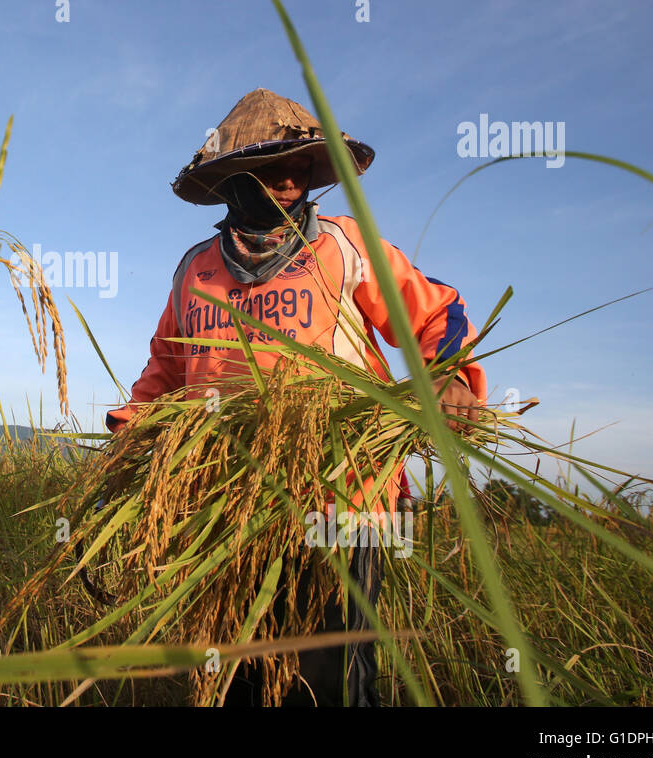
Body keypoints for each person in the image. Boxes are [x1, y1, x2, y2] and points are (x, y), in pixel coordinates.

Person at [104, 89, 488, 706]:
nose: (289, 182)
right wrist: (129, 435)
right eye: (271, 168)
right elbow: (165, 372)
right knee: (235, 685)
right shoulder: (195, 272)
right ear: (231, 181)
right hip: (227, 508)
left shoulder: (343, 247)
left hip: (344, 503)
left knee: (328, 687)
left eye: (301, 168)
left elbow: (436, 312)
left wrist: (448, 375)